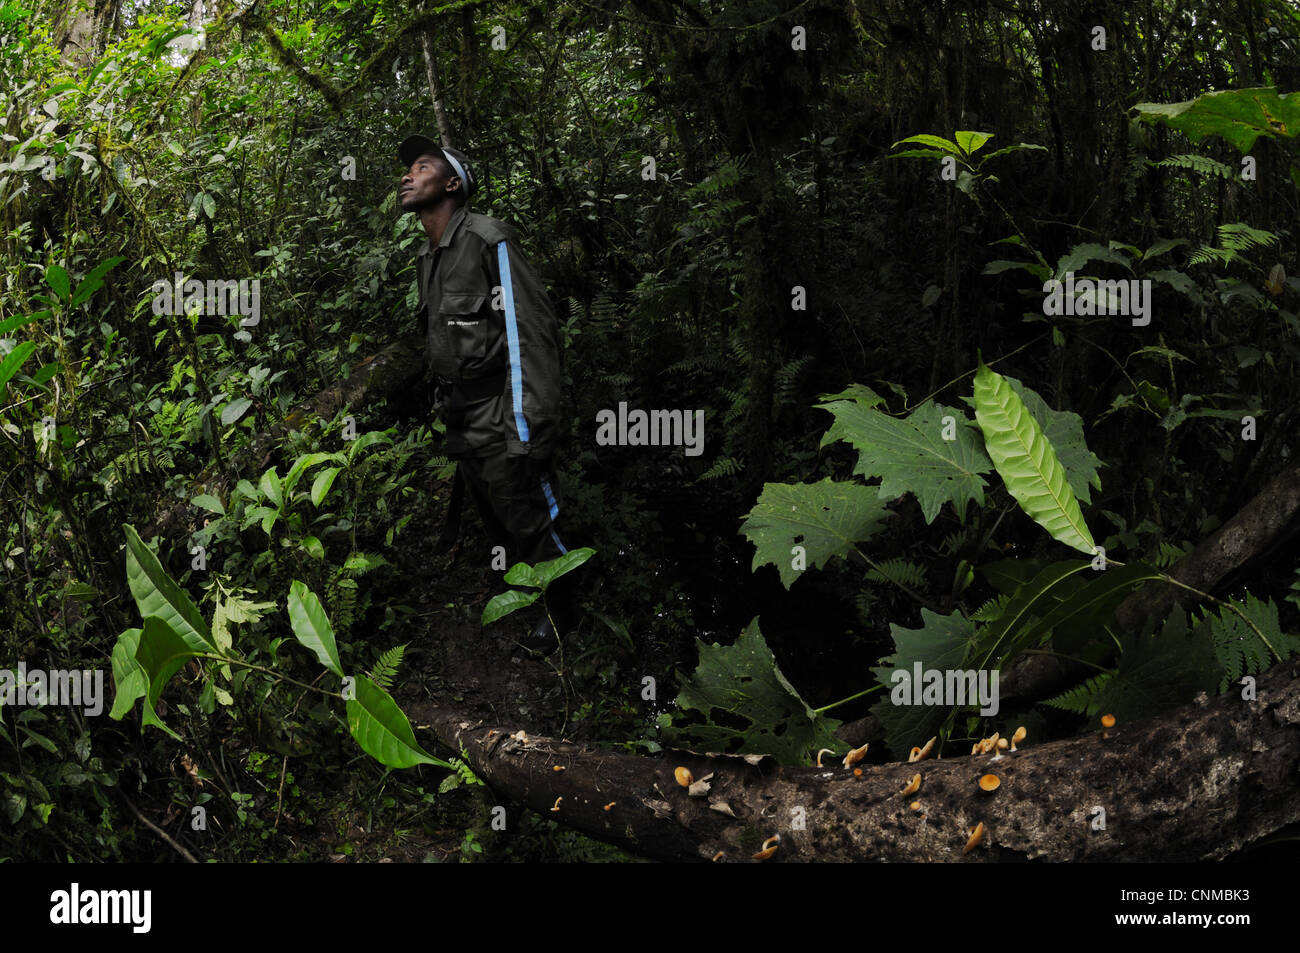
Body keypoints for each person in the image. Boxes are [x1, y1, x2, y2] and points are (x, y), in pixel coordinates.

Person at [398, 134, 576, 653]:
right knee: (493, 509)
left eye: (422, 167)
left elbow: (531, 331)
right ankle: (520, 590)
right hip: (464, 408)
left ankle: (563, 607)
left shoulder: (488, 238)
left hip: (503, 404)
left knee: (527, 507)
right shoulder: (429, 258)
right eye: (408, 169)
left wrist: (528, 421)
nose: (408, 175)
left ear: (453, 183)